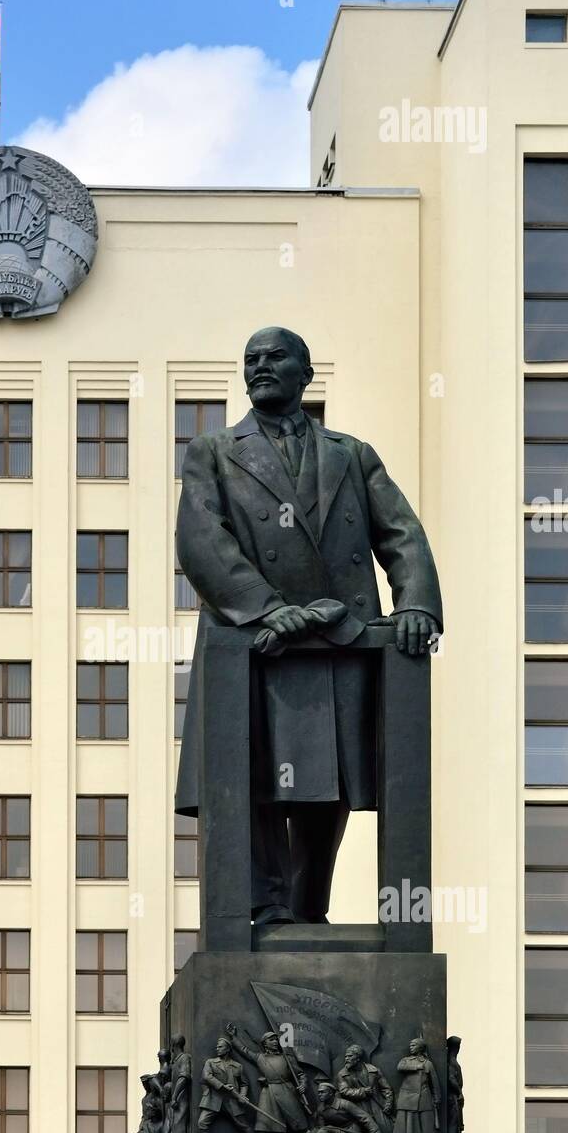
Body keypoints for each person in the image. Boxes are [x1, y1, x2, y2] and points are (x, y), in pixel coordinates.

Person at [174, 326, 443, 932]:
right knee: (260, 783)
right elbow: (201, 539)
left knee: (333, 784)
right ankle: (267, 908)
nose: (260, 366)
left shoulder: (350, 453)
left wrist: (417, 603)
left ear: (305, 372)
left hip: (340, 645)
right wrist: (267, 608)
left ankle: (306, 908)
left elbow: (401, 533)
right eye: (251, 359)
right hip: (258, 649)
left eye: (275, 357)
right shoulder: (214, 451)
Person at [224, 1023, 309, 1133]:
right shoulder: (260, 1058)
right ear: (264, 1044)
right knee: (263, 1121)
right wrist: (233, 1037)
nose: (275, 1042)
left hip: (286, 1090)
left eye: (276, 1039)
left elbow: (301, 1074)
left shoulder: (286, 1058)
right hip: (268, 1092)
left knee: (299, 1121)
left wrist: (303, 1084)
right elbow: (244, 1050)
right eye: (271, 1040)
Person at [196, 1036, 260, 1133]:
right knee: (202, 1123)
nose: (217, 1049)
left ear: (228, 1049)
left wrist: (242, 1095)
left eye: (220, 1047)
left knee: (244, 1125)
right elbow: (206, 1076)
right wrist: (222, 1086)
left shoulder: (237, 1066)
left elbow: (244, 1084)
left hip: (232, 1100)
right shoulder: (210, 1062)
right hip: (214, 1099)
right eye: (217, 1047)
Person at [305, 1080, 383, 1133]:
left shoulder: (345, 1104)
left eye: (322, 1092)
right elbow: (320, 1127)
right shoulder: (321, 1109)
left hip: (351, 1129)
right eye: (319, 1092)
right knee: (322, 1132)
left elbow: (364, 1117)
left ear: (331, 1093)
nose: (319, 1095)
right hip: (335, 1130)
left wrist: (375, 1132)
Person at [335, 1043, 395, 1133]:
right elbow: (344, 1091)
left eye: (350, 1056)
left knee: (387, 1132)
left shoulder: (373, 1070)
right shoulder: (342, 1074)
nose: (346, 1059)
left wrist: (388, 1103)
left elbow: (386, 1088)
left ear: (358, 1057)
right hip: (359, 1108)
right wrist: (362, 1091)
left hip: (377, 1106)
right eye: (346, 1057)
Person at [393, 1037, 441, 1133]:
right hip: (407, 1097)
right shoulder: (406, 1060)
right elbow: (400, 1067)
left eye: (413, 1045)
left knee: (427, 1126)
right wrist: (417, 1067)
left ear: (420, 1047)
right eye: (410, 1045)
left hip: (423, 1097)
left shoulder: (428, 1063)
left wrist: (437, 1097)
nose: (411, 1047)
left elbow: (435, 1082)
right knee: (408, 1126)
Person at [165, 1034, 191, 1133]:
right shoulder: (176, 1060)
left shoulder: (184, 1058)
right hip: (177, 1096)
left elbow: (184, 1077)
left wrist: (174, 1096)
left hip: (181, 1096)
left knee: (180, 1122)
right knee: (175, 1122)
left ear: (174, 1045)